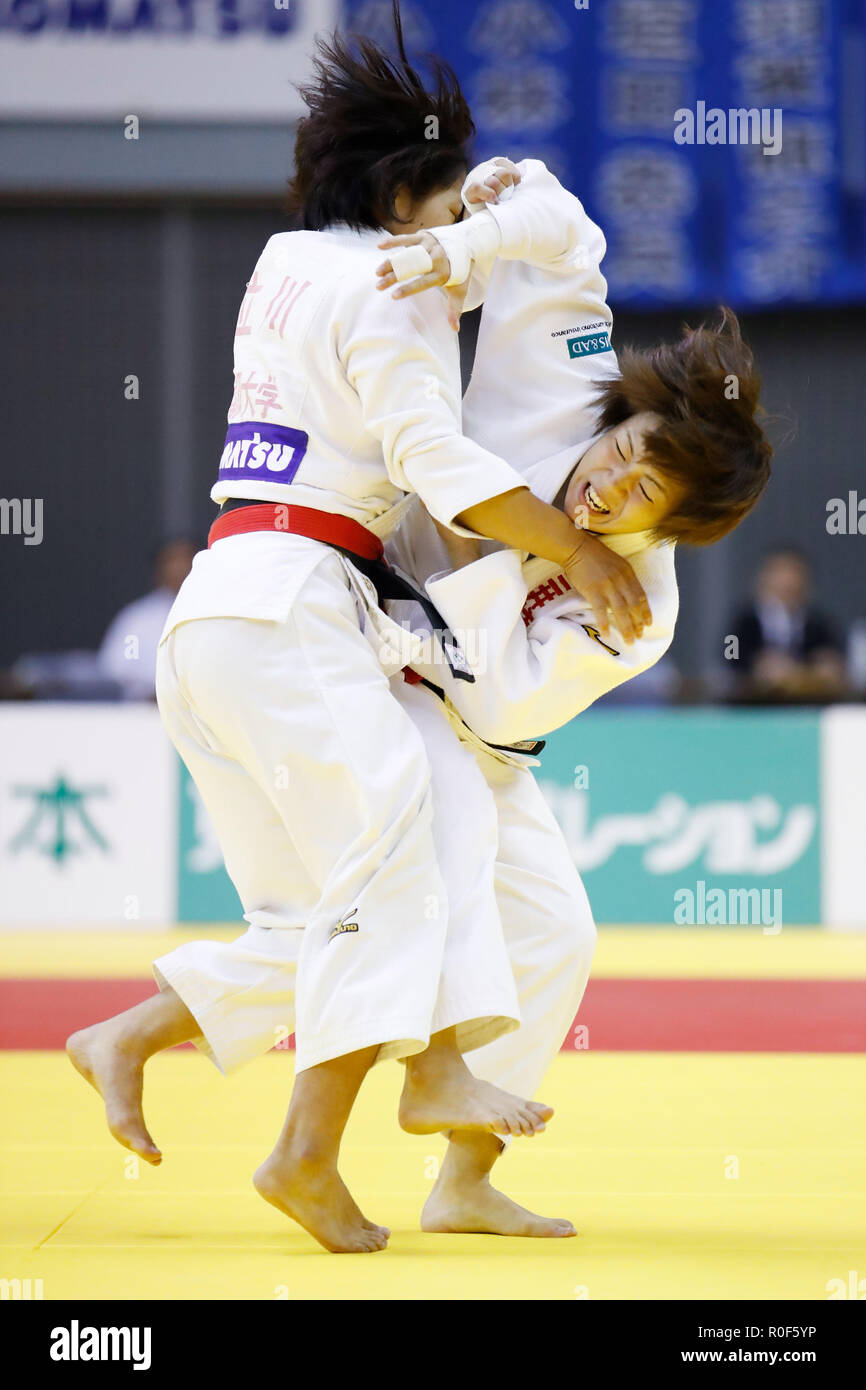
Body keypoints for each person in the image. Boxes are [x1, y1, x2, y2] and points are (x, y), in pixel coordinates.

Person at [69, 151, 772, 1245]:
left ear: (671, 523)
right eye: (624, 454)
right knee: (399, 890)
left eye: (641, 496)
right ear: (628, 416)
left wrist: (490, 548)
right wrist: (469, 229)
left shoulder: (639, 603)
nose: (607, 487)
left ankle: (460, 1174)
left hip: (457, 713)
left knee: (552, 933)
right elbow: (564, 227)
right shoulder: (568, 366)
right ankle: (346, 1102)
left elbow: (497, 709)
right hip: (346, 634)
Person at [725, 547, 847, 702]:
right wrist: (755, 665)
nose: (788, 580)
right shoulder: (743, 623)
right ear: (763, 578)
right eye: (780, 572)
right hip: (753, 706)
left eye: (795, 572)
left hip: (807, 706)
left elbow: (831, 661)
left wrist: (803, 672)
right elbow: (730, 658)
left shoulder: (819, 625)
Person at [98, 539, 197, 700]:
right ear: (158, 569)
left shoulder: (217, 613)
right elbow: (115, 670)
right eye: (172, 561)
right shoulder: (138, 618)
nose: (179, 568)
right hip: (143, 715)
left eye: (186, 559)